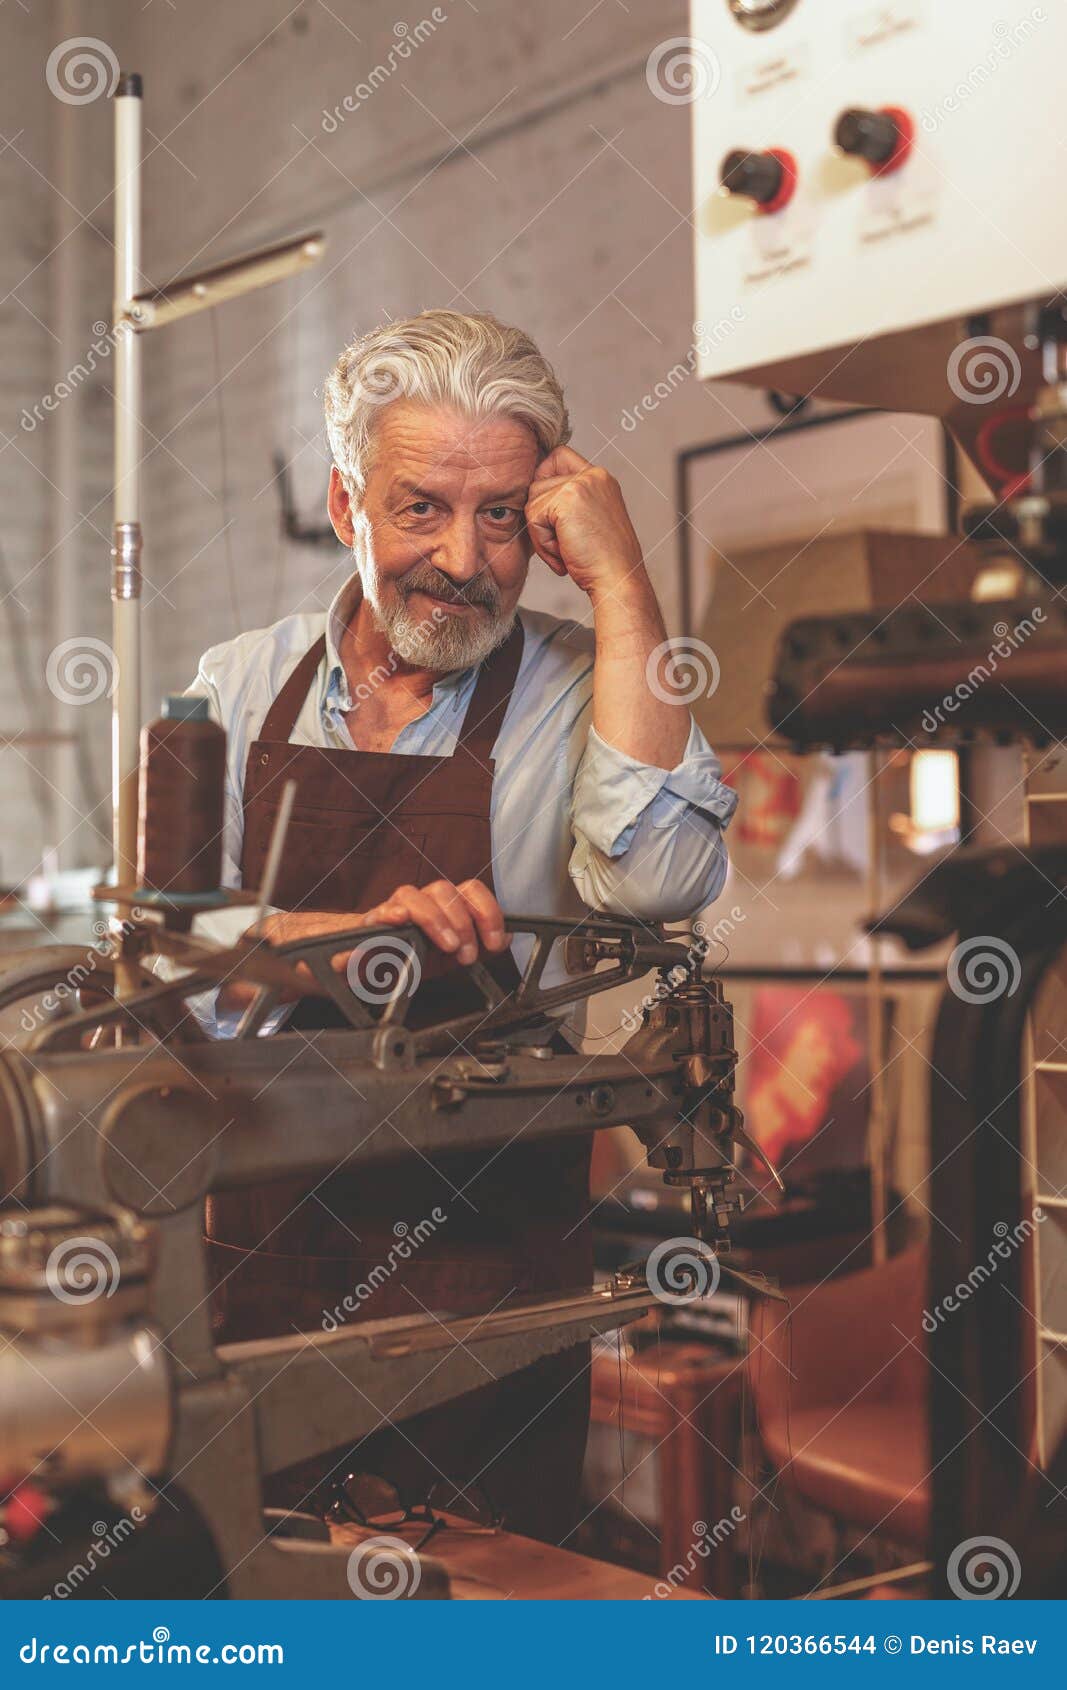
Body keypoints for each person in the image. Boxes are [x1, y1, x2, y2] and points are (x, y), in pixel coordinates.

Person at [188, 309, 738, 1540]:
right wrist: (340, 930)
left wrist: (622, 578)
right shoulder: (233, 686)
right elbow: (163, 966)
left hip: (489, 1280)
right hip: (262, 1258)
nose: (463, 557)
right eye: (419, 507)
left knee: (493, 1604)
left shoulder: (581, 681)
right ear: (345, 507)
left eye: (501, 515)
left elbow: (660, 881)